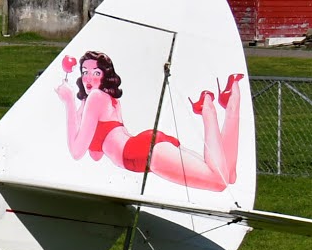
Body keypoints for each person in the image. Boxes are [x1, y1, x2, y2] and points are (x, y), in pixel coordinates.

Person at [55, 50, 244, 191]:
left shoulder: (96, 97)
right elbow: (96, 154)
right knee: (229, 175)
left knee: (219, 182)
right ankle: (232, 98)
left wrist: (69, 102)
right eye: (84, 72)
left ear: (104, 76)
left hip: (139, 154)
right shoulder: (101, 101)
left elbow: (76, 151)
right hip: (142, 149)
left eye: (96, 73)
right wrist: (78, 110)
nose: (89, 77)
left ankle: (207, 107)